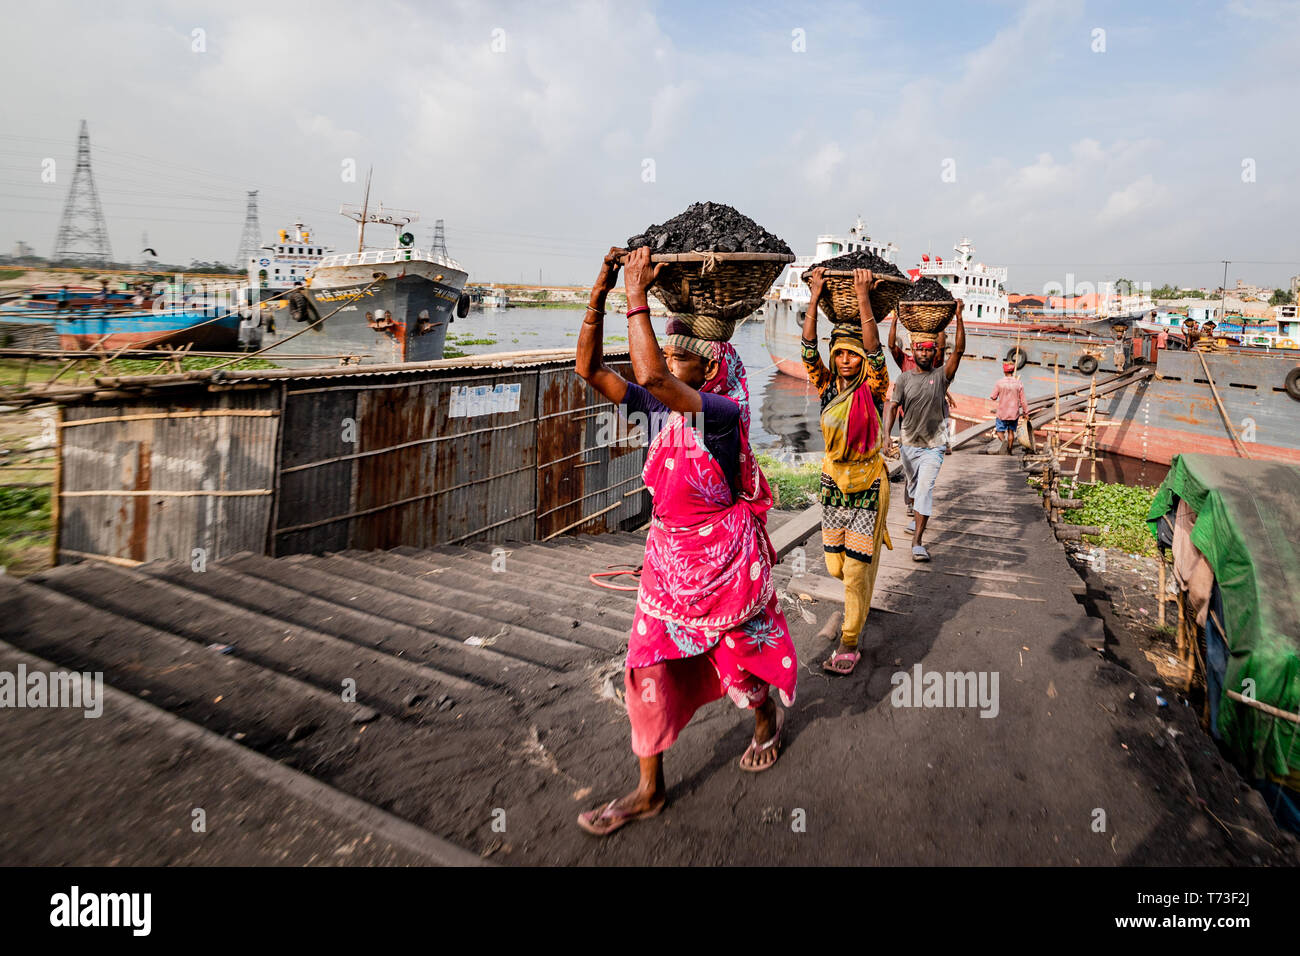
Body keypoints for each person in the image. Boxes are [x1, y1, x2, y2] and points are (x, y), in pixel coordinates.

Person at [574, 246, 796, 836]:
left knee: (737, 669)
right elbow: (590, 372)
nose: (668, 362)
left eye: (681, 357)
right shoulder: (658, 407)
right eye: (667, 352)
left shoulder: (721, 415)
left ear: (713, 367)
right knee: (644, 666)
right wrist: (599, 293)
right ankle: (650, 789)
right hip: (667, 565)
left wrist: (635, 295)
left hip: (722, 566)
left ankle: (763, 715)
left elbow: (648, 374)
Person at [802, 267, 893, 675]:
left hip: (868, 483)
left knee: (855, 568)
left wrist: (862, 300)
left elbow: (878, 355)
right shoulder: (825, 387)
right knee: (836, 566)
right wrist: (815, 296)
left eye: (851, 353)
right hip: (833, 483)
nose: (844, 359)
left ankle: (850, 639)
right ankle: (860, 589)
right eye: (839, 351)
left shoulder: (872, 388)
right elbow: (807, 350)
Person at [882, 301, 966, 562]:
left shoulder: (941, 376)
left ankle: (918, 541)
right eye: (920, 349)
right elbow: (892, 406)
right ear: (913, 351)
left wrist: (959, 318)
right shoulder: (904, 379)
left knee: (925, 488)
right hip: (908, 444)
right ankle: (913, 510)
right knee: (913, 486)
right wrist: (886, 436)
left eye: (930, 350)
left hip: (934, 445)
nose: (925, 354)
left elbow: (959, 351)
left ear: (934, 353)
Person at [989, 361, 1029, 455]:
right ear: (1012, 370)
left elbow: (993, 397)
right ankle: (1010, 451)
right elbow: (1023, 400)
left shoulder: (999, 383)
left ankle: (1004, 442)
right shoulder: (1019, 383)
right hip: (1014, 413)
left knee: (999, 431)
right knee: (1011, 432)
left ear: (1004, 371)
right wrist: (1026, 413)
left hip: (1002, 413)